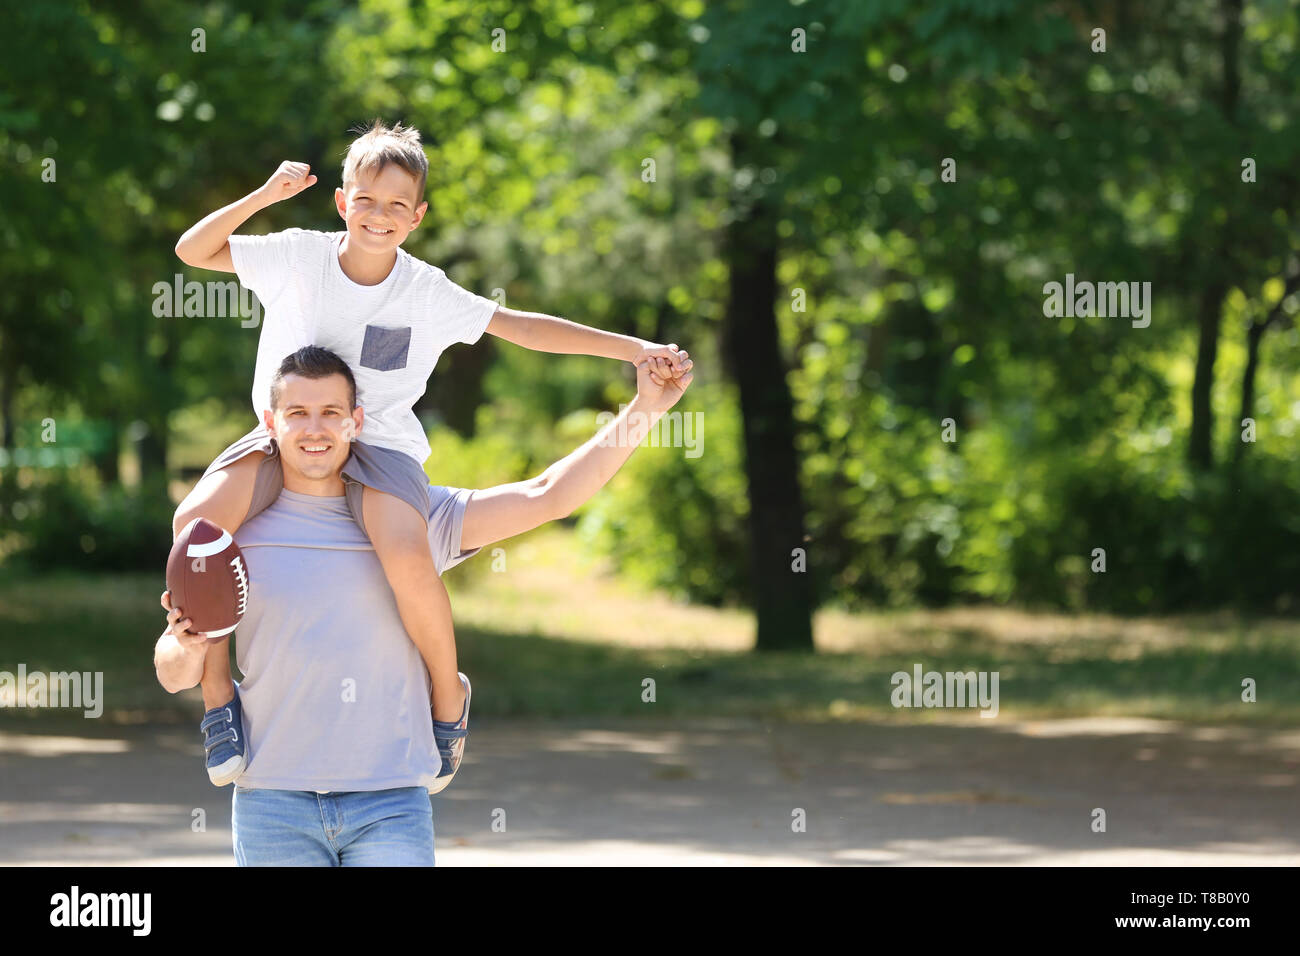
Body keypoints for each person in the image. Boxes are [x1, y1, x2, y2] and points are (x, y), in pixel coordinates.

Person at [170, 119, 691, 788]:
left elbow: (523, 328)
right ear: (341, 202)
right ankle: (219, 704)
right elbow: (193, 250)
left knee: (409, 559)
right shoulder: (297, 257)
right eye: (364, 200)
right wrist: (264, 196)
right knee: (196, 531)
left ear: (417, 216)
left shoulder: (425, 292)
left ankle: (448, 701)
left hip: (378, 448)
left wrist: (632, 349)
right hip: (283, 436)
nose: (378, 216)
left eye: (395, 206)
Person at [153, 344, 693, 866]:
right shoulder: (232, 533)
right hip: (272, 798)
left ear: (356, 422)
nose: (314, 429)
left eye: (331, 412)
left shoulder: (411, 519)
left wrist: (645, 408)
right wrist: (183, 644)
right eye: (297, 413)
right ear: (270, 425)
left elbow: (548, 494)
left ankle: (450, 697)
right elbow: (174, 674)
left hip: (390, 799)